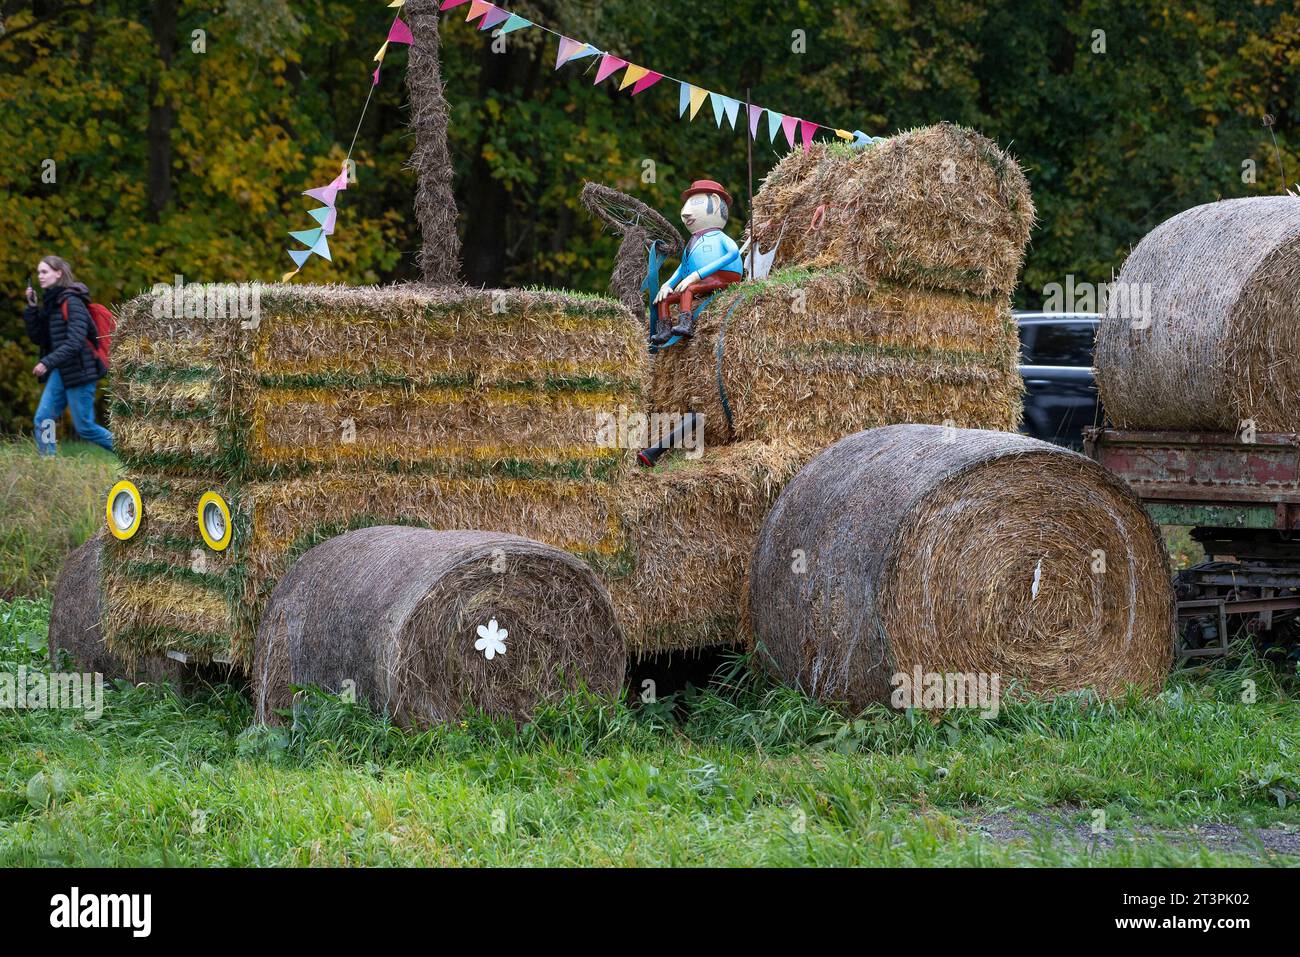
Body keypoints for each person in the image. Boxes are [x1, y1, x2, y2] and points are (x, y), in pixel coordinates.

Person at [24, 255, 113, 455]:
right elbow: (40, 338)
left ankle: (133, 454)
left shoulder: (72, 302)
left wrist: (46, 363)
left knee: (85, 428)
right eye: (38, 272)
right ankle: (48, 465)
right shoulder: (52, 303)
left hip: (81, 371)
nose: (40, 276)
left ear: (59, 273)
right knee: (44, 419)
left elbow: (75, 342)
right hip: (62, 371)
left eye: (44, 272)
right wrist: (31, 308)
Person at [650, 179, 744, 345]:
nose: (685, 213)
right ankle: (664, 330)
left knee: (689, 289)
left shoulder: (720, 237)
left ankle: (686, 324)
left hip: (724, 276)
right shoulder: (692, 242)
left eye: (696, 204)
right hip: (700, 279)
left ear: (715, 203)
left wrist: (696, 275)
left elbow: (733, 253)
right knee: (664, 299)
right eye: (686, 205)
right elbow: (683, 266)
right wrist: (668, 284)